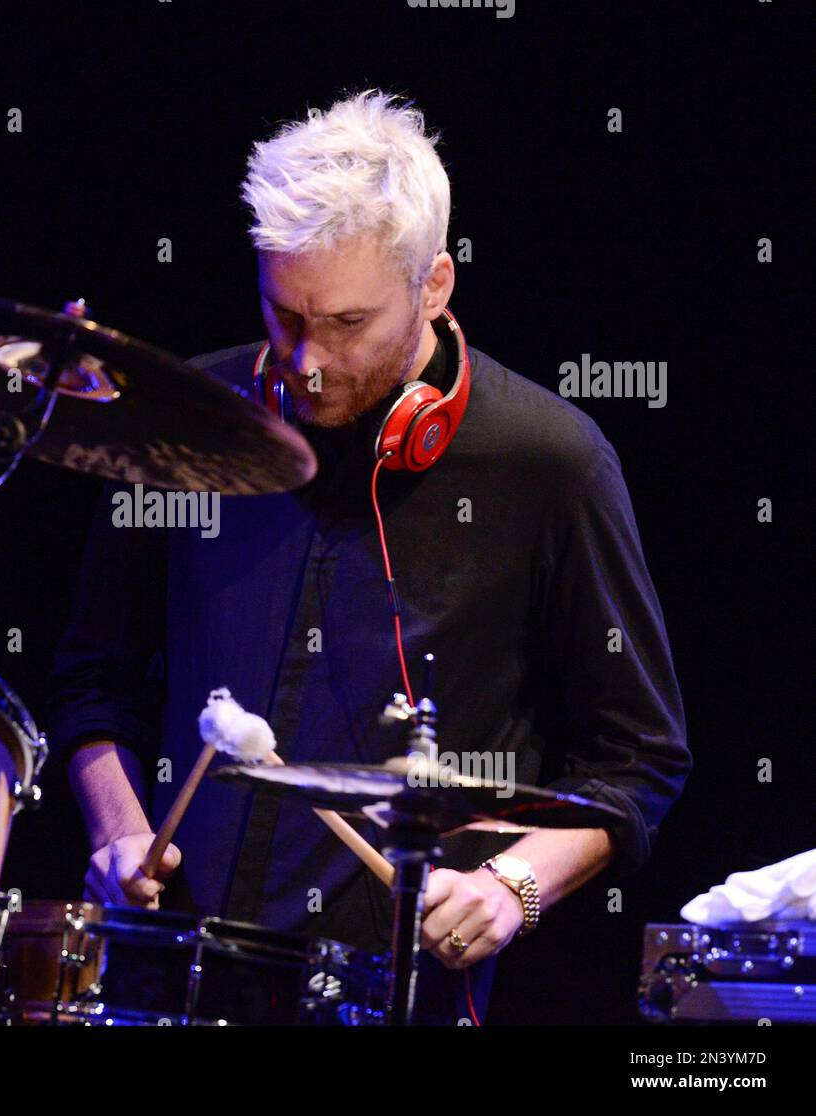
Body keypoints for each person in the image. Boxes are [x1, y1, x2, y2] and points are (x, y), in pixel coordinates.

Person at [46, 90, 691, 1024]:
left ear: (434, 286)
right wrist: (119, 830)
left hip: (396, 999)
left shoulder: (549, 463)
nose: (307, 361)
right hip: (169, 980)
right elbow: (91, 680)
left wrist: (515, 887)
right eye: (284, 314)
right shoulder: (185, 427)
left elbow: (638, 760)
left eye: (347, 324)